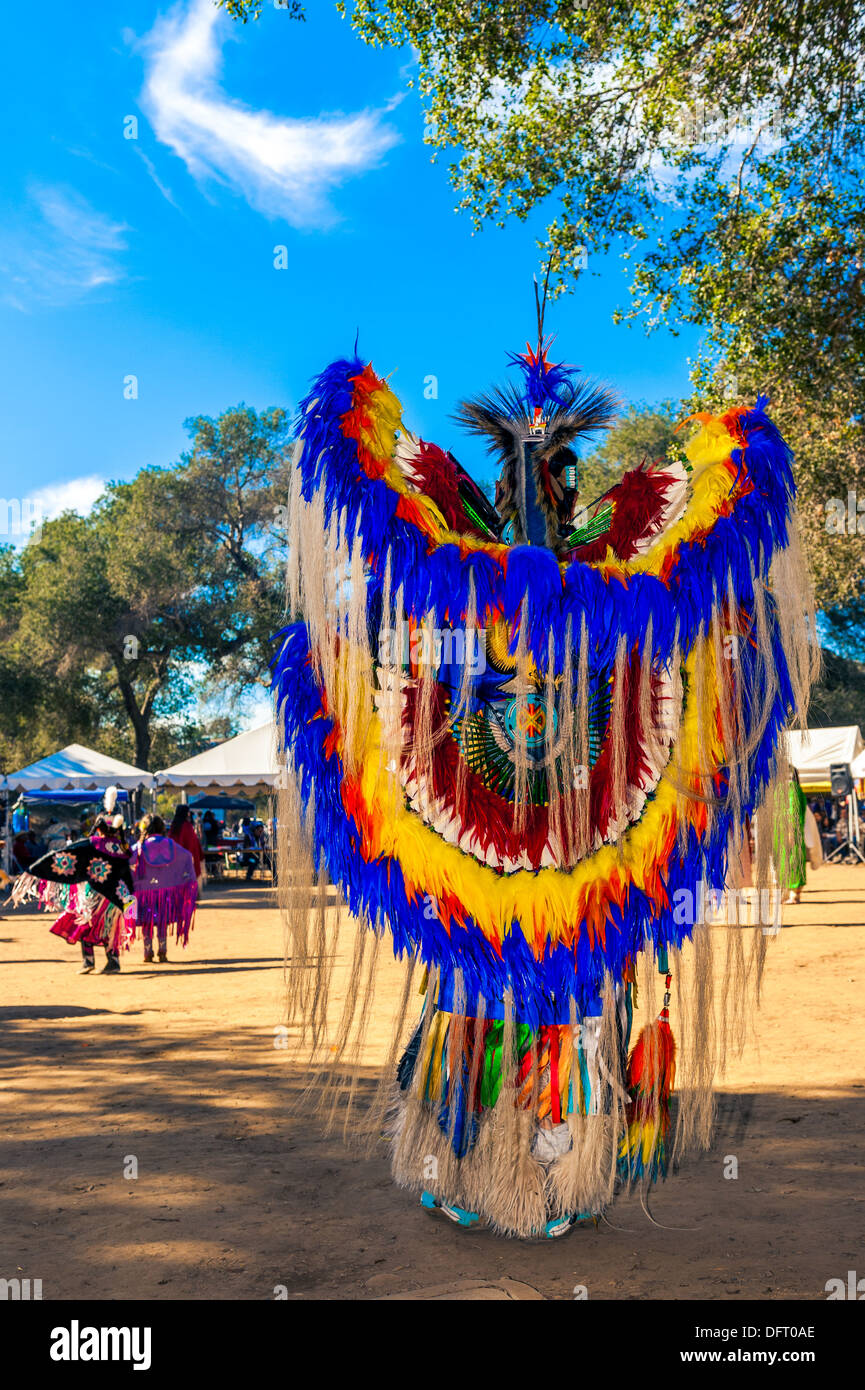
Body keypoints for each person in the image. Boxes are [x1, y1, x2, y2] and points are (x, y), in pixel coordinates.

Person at [274, 320, 815, 1238]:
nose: (545, 489)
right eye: (530, 473)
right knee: (473, 990)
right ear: (502, 482)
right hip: (468, 815)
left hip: (596, 816)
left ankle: (560, 1173)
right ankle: (465, 1161)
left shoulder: (611, 561)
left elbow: (676, 616)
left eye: (558, 473)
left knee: (575, 997)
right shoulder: (462, 563)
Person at [12, 812, 136, 974]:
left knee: (84, 923)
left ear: (99, 829)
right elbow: (127, 871)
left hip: (93, 894)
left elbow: (66, 853)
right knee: (109, 927)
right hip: (116, 895)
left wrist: (36, 869)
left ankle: (88, 961)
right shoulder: (122, 847)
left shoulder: (91, 843)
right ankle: (113, 962)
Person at [131, 814, 198, 963]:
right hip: (165, 893)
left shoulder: (139, 847)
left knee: (147, 922)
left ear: (143, 829)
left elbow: (127, 859)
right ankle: (163, 951)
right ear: (162, 828)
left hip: (144, 893)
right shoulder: (171, 844)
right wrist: (187, 880)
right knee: (161, 920)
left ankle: (147, 952)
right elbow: (186, 855)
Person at [168, 804, 203, 881]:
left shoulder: (173, 827)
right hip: (187, 863)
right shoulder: (187, 826)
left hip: (174, 862)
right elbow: (192, 844)